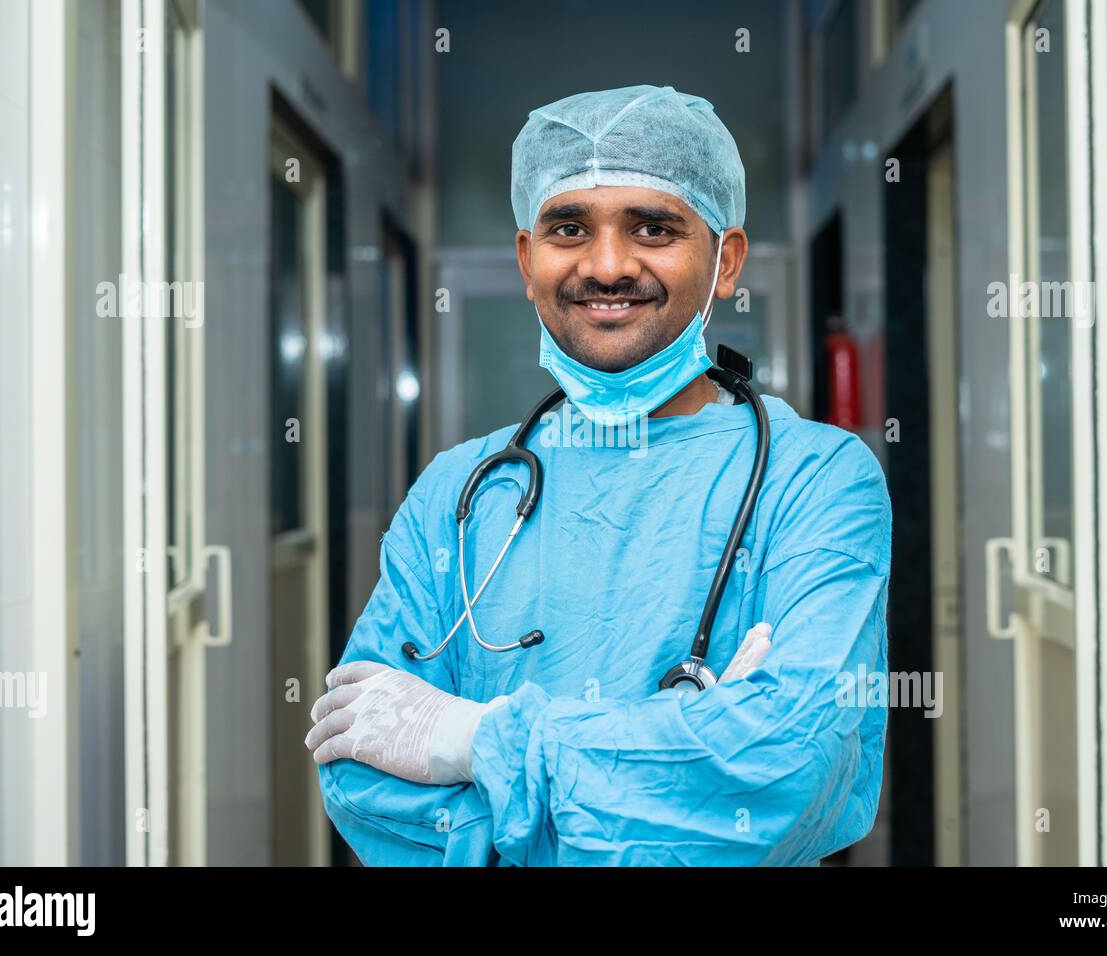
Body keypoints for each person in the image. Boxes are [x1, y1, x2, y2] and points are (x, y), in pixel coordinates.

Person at [305, 85, 892, 866]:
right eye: (568, 228)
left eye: (654, 227)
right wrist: (682, 762)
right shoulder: (459, 490)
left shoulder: (818, 479)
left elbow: (787, 768)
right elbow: (356, 769)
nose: (608, 265)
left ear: (726, 262)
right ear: (527, 261)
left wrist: (475, 741)